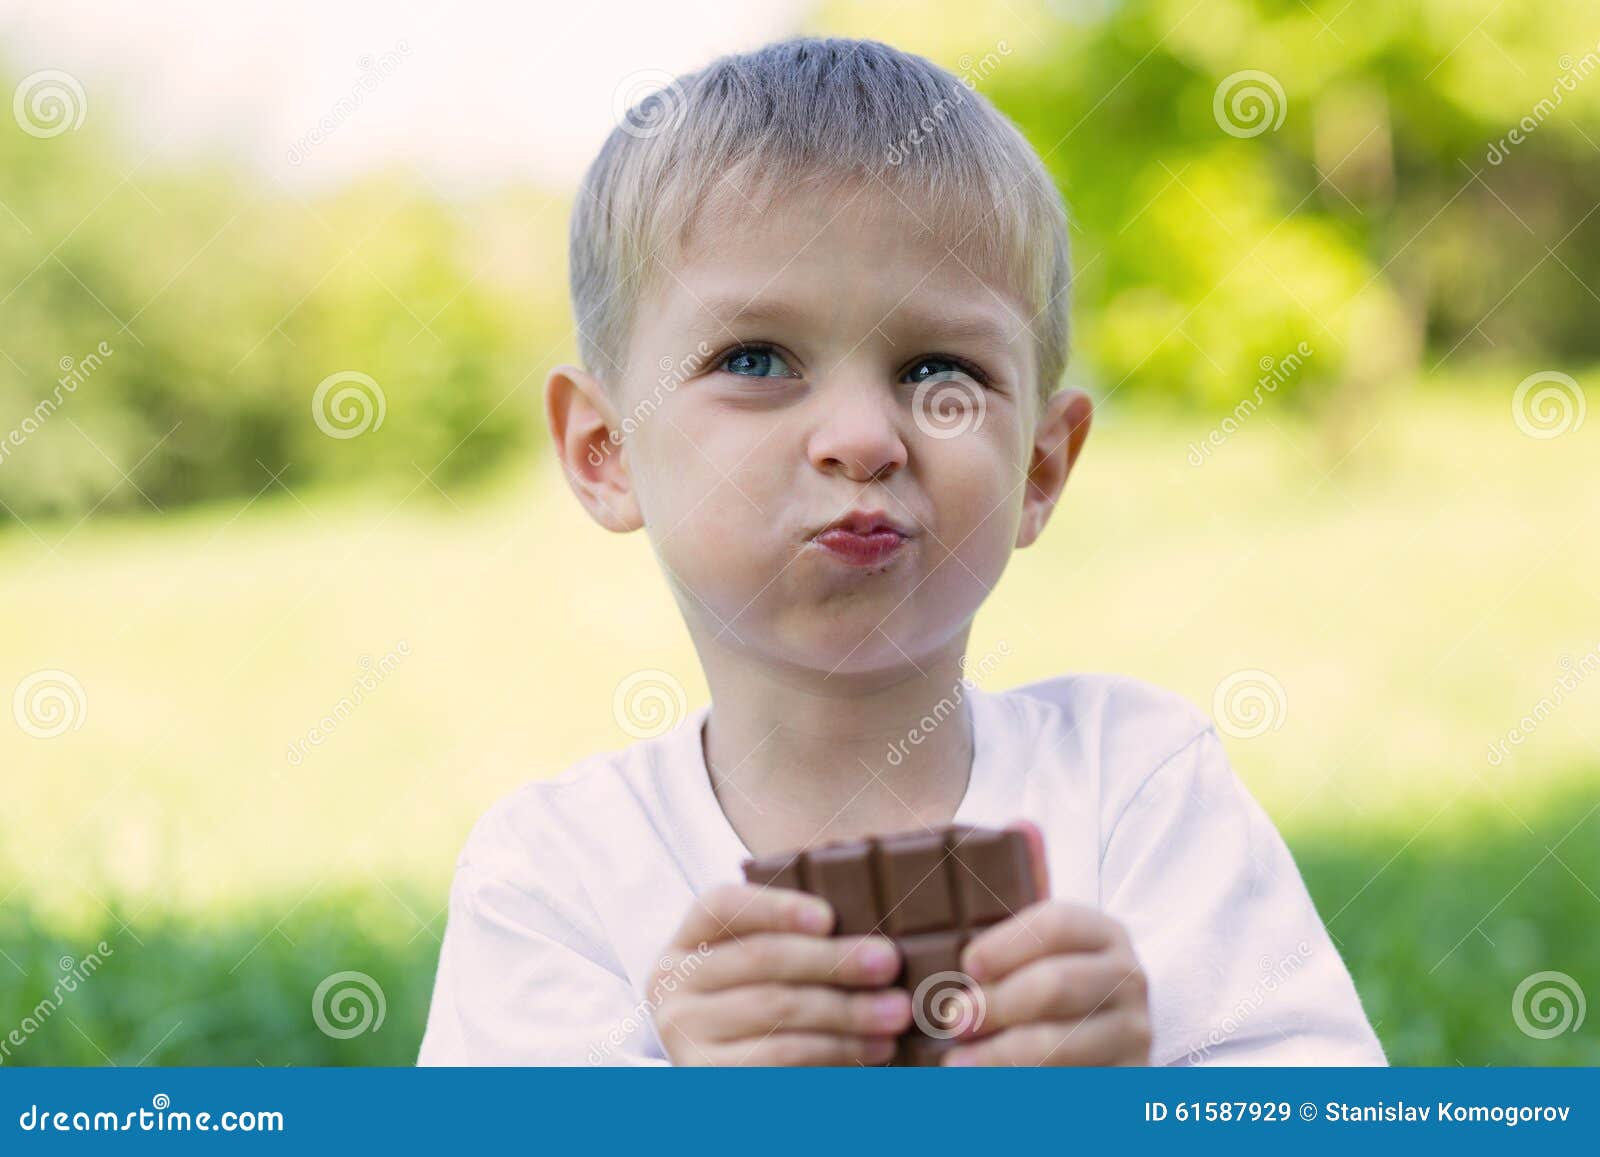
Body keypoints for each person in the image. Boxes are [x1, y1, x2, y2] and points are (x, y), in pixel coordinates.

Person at [417, 35, 1385, 1067]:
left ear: (1041, 466)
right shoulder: (552, 877)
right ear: (605, 451)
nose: (863, 437)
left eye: (937, 366)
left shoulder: (1138, 787)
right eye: (755, 358)